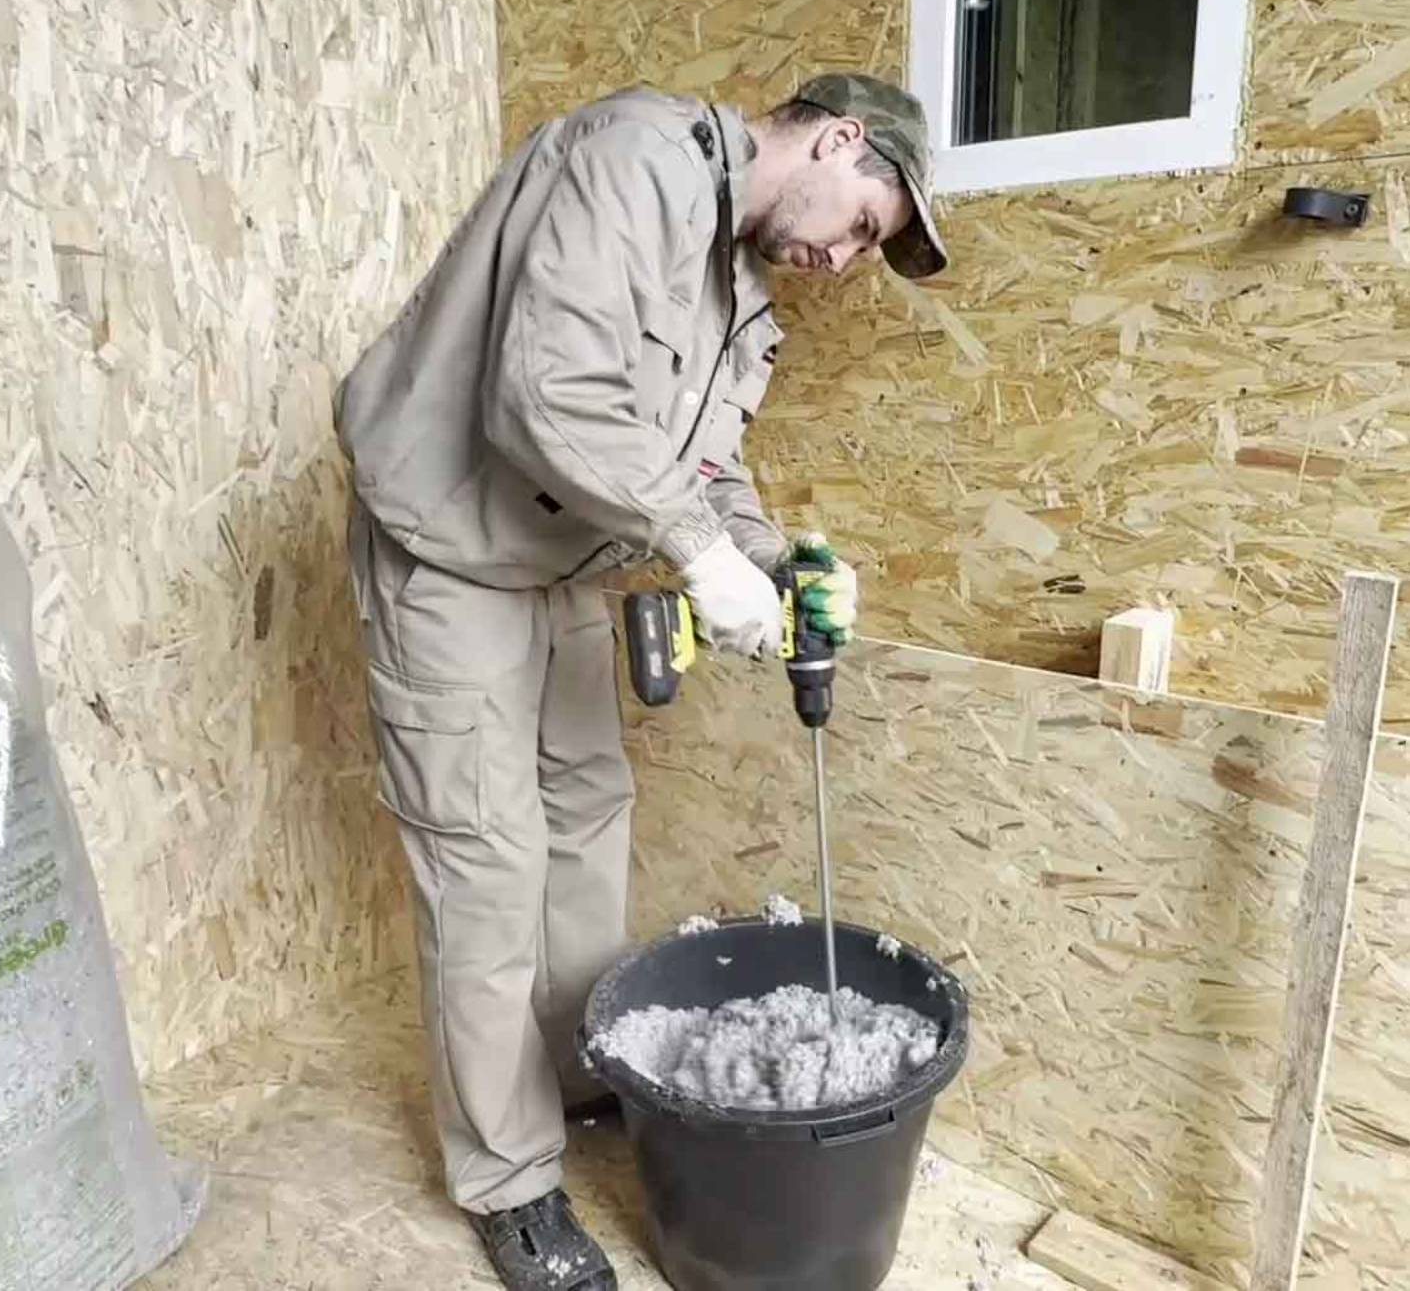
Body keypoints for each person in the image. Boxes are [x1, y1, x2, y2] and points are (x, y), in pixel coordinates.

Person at [332, 72, 948, 1290]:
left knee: (588, 812)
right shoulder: (637, 159)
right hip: (447, 548)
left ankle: (578, 1076)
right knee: (486, 862)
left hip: (562, 559)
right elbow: (549, 390)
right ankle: (510, 1181)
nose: (844, 261)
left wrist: (773, 560)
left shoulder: (740, 291)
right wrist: (700, 555)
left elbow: (704, 468)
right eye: (864, 226)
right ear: (839, 140)